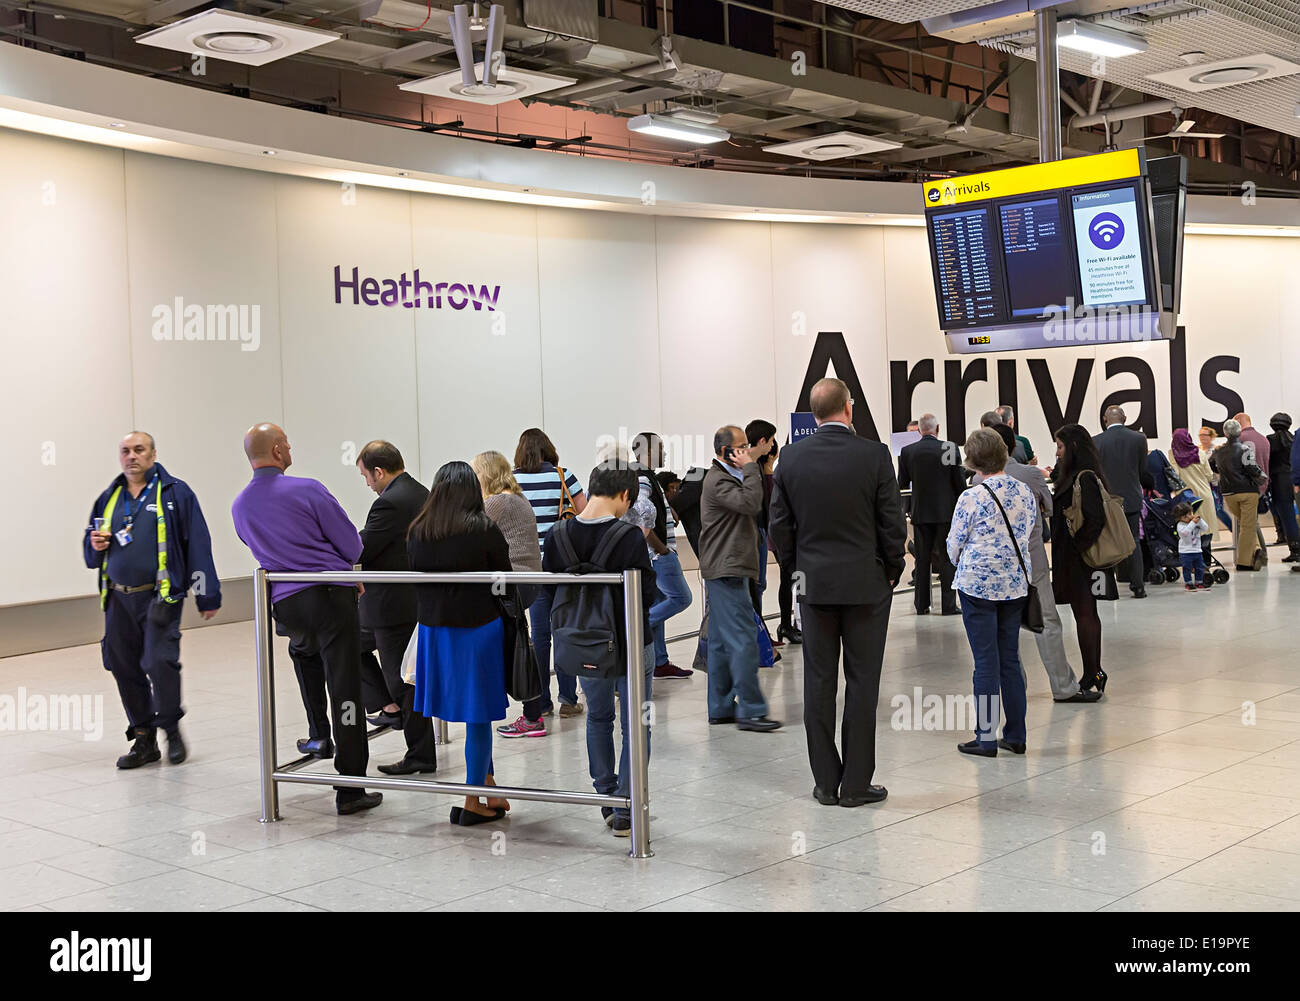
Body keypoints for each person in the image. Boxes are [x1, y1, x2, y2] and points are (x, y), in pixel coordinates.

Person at [231, 423, 380, 816]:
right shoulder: (308, 489)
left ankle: (319, 734)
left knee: (304, 656)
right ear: (279, 451)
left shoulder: (240, 505)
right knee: (345, 685)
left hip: (286, 604)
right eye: (288, 443)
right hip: (330, 597)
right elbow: (352, 544)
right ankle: (350, 788)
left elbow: (256, 547)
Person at [770, 378, 905, 805]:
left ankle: (826, 783)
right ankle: (857, 784)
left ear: (813, 415)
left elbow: (778, 527)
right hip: (867, 584)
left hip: (814, 585)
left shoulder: (790, 458)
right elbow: (891, 521)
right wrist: (893, 568)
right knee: (863, 682)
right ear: (849, 408)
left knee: (819, 680)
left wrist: (797, 571)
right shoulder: (874, 454)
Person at [83, 431, 221, 769]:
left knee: (160, 662)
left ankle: (171, 729)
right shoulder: (109, 497)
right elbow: (90, 554)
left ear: (153, 454)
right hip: (118, 600)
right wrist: (94, 545)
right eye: (125, 451)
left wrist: (206, 594)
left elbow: (198, 545)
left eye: (139, 450)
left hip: (160, 597)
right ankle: (144, 739)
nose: (132, 456)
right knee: (123, 665)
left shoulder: (176, 493)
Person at [543, 462, 659, 837]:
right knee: (636, 724)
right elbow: (646, 593)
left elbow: (549, 590)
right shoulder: (627, 537)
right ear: (625, 495)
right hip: (629, 642)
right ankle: (628, 807)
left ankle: (606, 798)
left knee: (598, 717)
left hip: (581, 645)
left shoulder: (558, 534)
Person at [407, 461, 513, 826]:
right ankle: (471, 799)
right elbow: (505, 580)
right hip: (478, 630)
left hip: (435, 632)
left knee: (471, 713)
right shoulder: (483, 529)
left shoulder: (418, 530)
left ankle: (489, 785)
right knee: (478, 716)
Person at [977, 425, 1097, 704]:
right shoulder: (1030, 474)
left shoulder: (976, 480)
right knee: (1047, 623)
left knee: (1004, 630)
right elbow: (1050, 508)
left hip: (998, 566)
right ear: (1010, 447)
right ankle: (1063, 687)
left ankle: (1014, 688)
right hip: (1031, 560)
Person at [946, 428, 1036, 757]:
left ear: (972, 460)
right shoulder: (1024, 491)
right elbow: (1029, 530)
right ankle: (1016, 734)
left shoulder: (971, 496)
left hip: (977, 586)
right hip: (1015, 585)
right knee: (1010, 659)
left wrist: (962, 558)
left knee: (985, 662)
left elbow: (954, 545)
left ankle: (985, 737)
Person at [499, 428, 588, 737]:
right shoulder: (565, 476)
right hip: (563, 566)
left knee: (539, 636)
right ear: (549, 448)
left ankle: (541, 702)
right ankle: (568, 698)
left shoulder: (512, 481)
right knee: (564, 631)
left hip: (530, 570)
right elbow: (585, 514)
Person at [355, 441, 436, 775]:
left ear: (379, 471)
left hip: (393, 606)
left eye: (367, 477)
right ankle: (386, 707)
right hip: (409, 600)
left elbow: (363, 547)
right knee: (354, 645)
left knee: (403, 680)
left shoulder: (389, 503)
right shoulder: (420, 491)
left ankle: (420, 754)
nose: (367, 484)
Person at [699, 425, 781, 732]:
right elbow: (750, 504)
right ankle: (752, 709)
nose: (748, 452)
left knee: (721, 642)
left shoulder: (726, 477)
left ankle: (720, 706)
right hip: (727, 569)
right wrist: (751, 469)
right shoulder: (719, 480)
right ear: (725, 452)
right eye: (742, 447)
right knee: (744, 638)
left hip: (728, 567)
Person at [1051, 425, 1119, 695]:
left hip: (1084, 560)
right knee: (1084, 613)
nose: (1057, 452)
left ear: (1073, 448)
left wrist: (1077, 548)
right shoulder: (1072, 475)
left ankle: (1094, 671)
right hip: (1077, 558)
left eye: (1060, 446)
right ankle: (1092, 671)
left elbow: (1095, 519)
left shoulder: (1085, 478)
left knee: (1086, 613)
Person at [631, 433, 693, 680]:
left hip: (653, 554)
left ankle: (659, 661)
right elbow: (640, 517)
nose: (664, 453)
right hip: (657, 555)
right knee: (681, 598)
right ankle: (637, 628)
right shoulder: (643, 479)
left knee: (658, 602)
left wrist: (669, 511)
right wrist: (662, 549)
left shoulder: (646, 477)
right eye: (661, 448)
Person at [897, 413, 964, 616]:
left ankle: (921, 604)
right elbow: (958, 482)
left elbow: (902, 482)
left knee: (922, 559)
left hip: (920, 512)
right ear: (938, 429)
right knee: (946, 559)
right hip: (945, 512)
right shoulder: (948, 448)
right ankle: (948, 605)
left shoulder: (908, 451)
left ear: (919, 430)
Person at [1093, 405, 1154, 598]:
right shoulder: (1138, 439)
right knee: (1133, 541)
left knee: (1106, 542)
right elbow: (1143, 470)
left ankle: (1106, 588)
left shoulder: (1096, 441)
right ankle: (1138, 586)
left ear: (1105, 419)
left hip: (1106, 500)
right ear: (1125, 418)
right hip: (1131, 498)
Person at [1210, 419, 1266, 572]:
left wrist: (1223, 471)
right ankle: (1244, 562)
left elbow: (1211, 465)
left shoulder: (1218, 451)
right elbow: (1251, 468)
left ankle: (1256, 551)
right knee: (1248, 526)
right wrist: (1262, 476)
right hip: (1247, 491)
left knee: (1244, 523)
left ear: (1225, 433)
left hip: (1228, 493)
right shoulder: (1244, 448)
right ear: (1239, 432)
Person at [1234, 413, 1271, 563]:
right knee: (1252, 521)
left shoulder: (1240, 440)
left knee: (1249, 522)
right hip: (1262, 485)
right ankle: (1260, 554)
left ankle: (1260, 554)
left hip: (1247, 486)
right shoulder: (1264, 439)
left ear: (1238, 422)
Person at [1265, 414, 1299, 561]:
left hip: (1278, 481)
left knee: (1286, 515)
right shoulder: (1293, 438)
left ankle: (1295, 549)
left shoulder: (1270, 440)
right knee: (1291, 514)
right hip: (1292, 479)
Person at [1173, 502, 1211, 591]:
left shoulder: (1195, 523)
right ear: (1181, 517)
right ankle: (1188, 582)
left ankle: (1199, 581)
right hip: (1186, 552)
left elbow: (1205, 528)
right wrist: (1193, 523)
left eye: (1191, 513)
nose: (1191, 516)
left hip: (1197, 550)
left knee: (1200, 567)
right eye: (1188, 515)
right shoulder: (1180, 525)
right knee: (1187, 568)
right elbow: (1185, 533)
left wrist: (1200, 521)